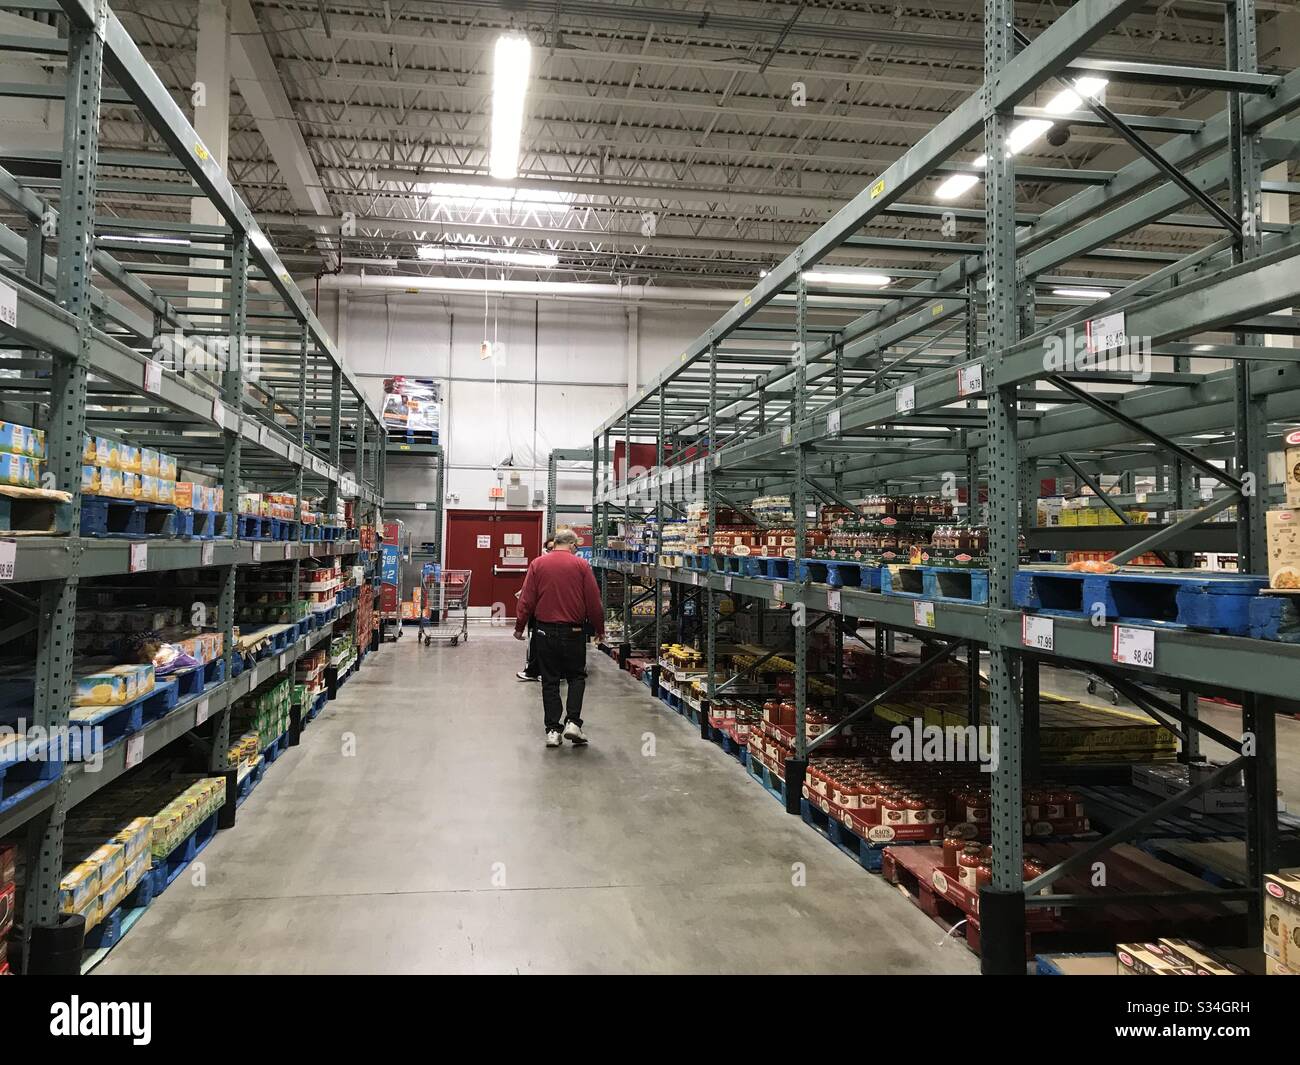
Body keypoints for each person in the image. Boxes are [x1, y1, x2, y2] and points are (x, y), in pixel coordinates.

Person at [513, 528, 604, 748]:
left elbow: (527, 599)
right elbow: (593, 601)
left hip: (544, 632)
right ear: (572, 545)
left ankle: (553, 730)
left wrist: (520, 626)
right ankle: (573, 722)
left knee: (550, 680)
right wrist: (599, 628)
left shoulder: (537, 564)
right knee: (576, 676)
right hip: (573, 632)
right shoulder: (581, 565)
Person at [516, 537, 555, 681]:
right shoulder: (539, 565)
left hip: (559, 615)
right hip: (541, 612)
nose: (550, 551)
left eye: (553, 548)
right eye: (548, 548)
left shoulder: (575, 565)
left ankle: (545, 672)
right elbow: (529, 593)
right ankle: (534, 670)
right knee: (537, 641)